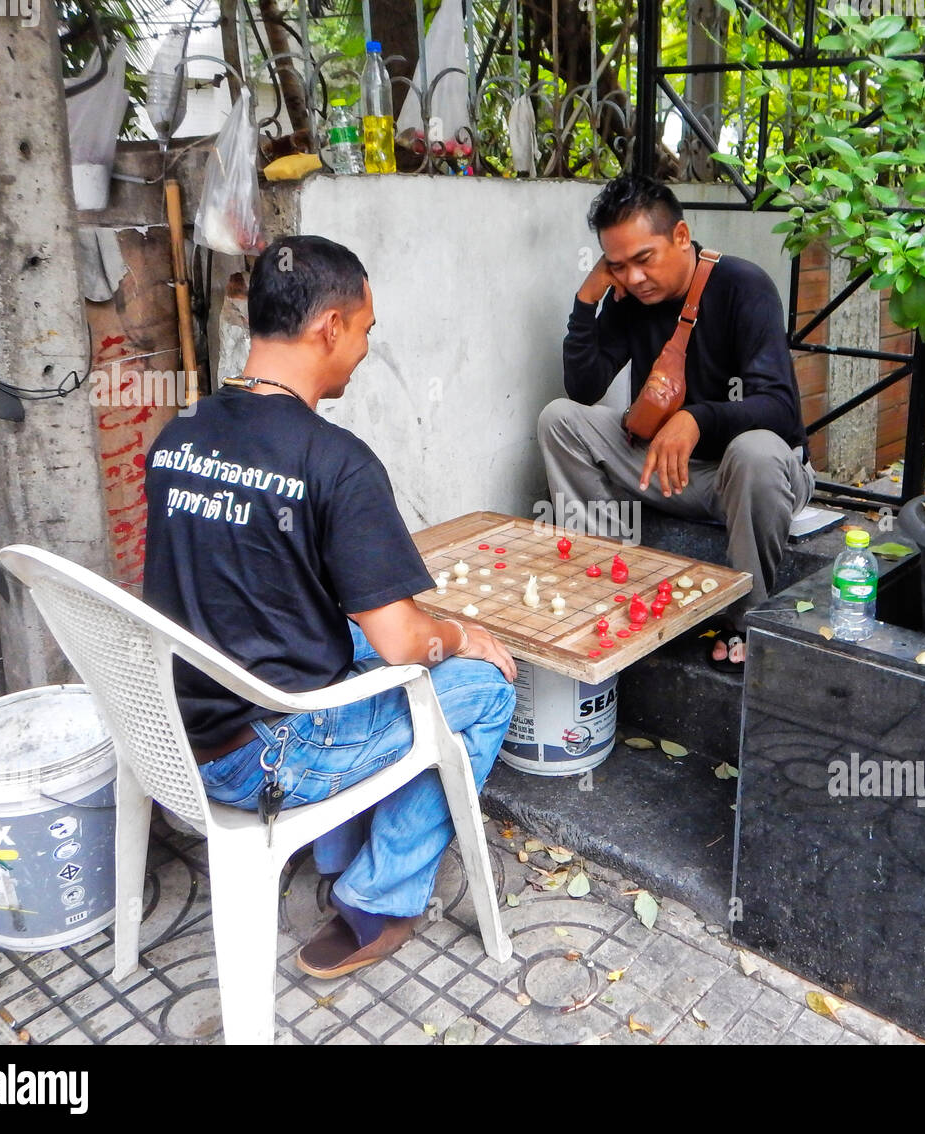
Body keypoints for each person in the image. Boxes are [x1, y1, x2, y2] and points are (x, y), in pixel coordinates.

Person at [143, 235, 517, 979]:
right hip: (265, 757)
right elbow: (408, 642)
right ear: (331, 328)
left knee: (353, 632)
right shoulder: (335, 462)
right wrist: (463, 636)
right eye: (367, 331)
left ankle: (338, 843)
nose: (366, 350)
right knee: (489, 685)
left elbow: (245, 584)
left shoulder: (179, 433)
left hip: (169, 734)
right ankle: (380, 895)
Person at [538, 174, 814, 671]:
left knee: (757, 451)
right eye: (618, 266)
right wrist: (587, 299)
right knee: (559, 420)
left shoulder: (743, 286)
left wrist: (695, 418)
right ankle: (605, 579)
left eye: (644, 259)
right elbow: (583, 388)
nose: (635, 278)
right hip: (662, 472)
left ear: (681, 237)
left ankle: (745, 619)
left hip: (741, 478)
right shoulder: (630, 298)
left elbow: (781, 411)